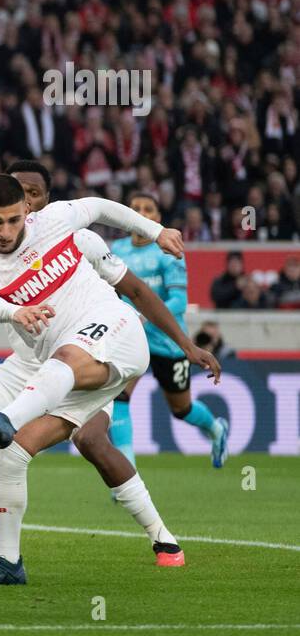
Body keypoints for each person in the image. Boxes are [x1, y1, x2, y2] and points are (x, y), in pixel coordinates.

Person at [0, 161, 218, 570]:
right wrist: (4, 317)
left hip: (105, 340)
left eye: (23, 208)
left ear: (35, 203)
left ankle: (161, 538)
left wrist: (157, 233)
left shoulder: (68, 230)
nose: (7, 230)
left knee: (92, 440)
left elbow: (118, 247)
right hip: (33, 364)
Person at [109, 192, 229, 468]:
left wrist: (143, 315)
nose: (141, 213)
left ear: (157, 218)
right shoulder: (116, 250)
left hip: (167, 342)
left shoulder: (167, 250)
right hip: (131, 338)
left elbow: (179, 301)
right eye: (135, 208)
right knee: (119, 396)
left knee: (181, 409)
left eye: (148, 209)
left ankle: (215, 429)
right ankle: (127, 468)